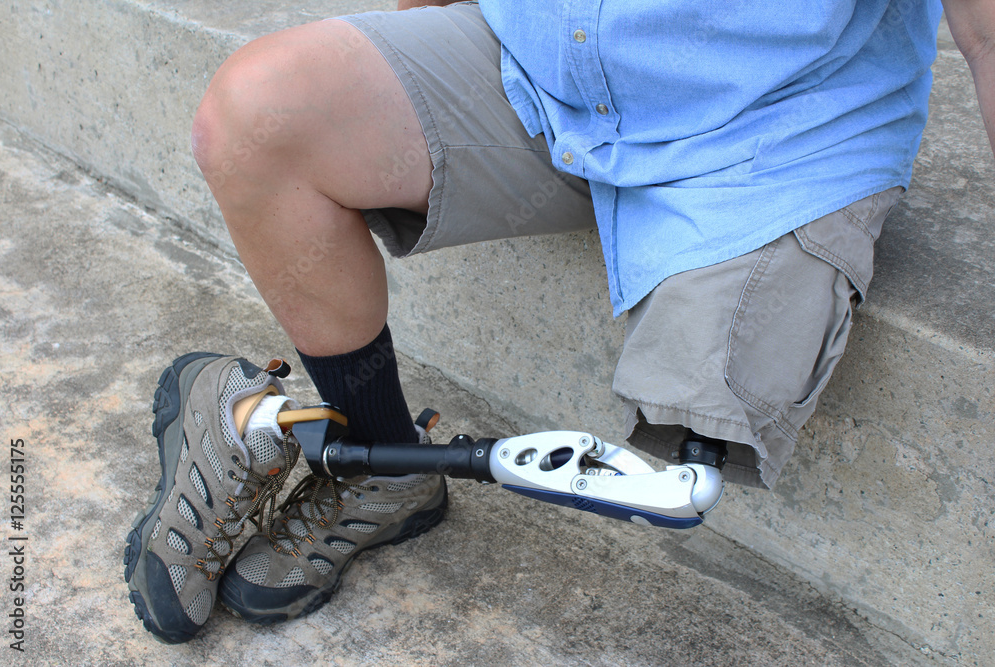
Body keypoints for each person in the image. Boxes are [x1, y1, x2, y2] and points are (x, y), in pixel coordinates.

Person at [122, 0, 995, 644]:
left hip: (779, 134)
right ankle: (375, 463)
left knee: (700, 432)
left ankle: (297, 437)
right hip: (546, 67)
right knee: (253, 118)